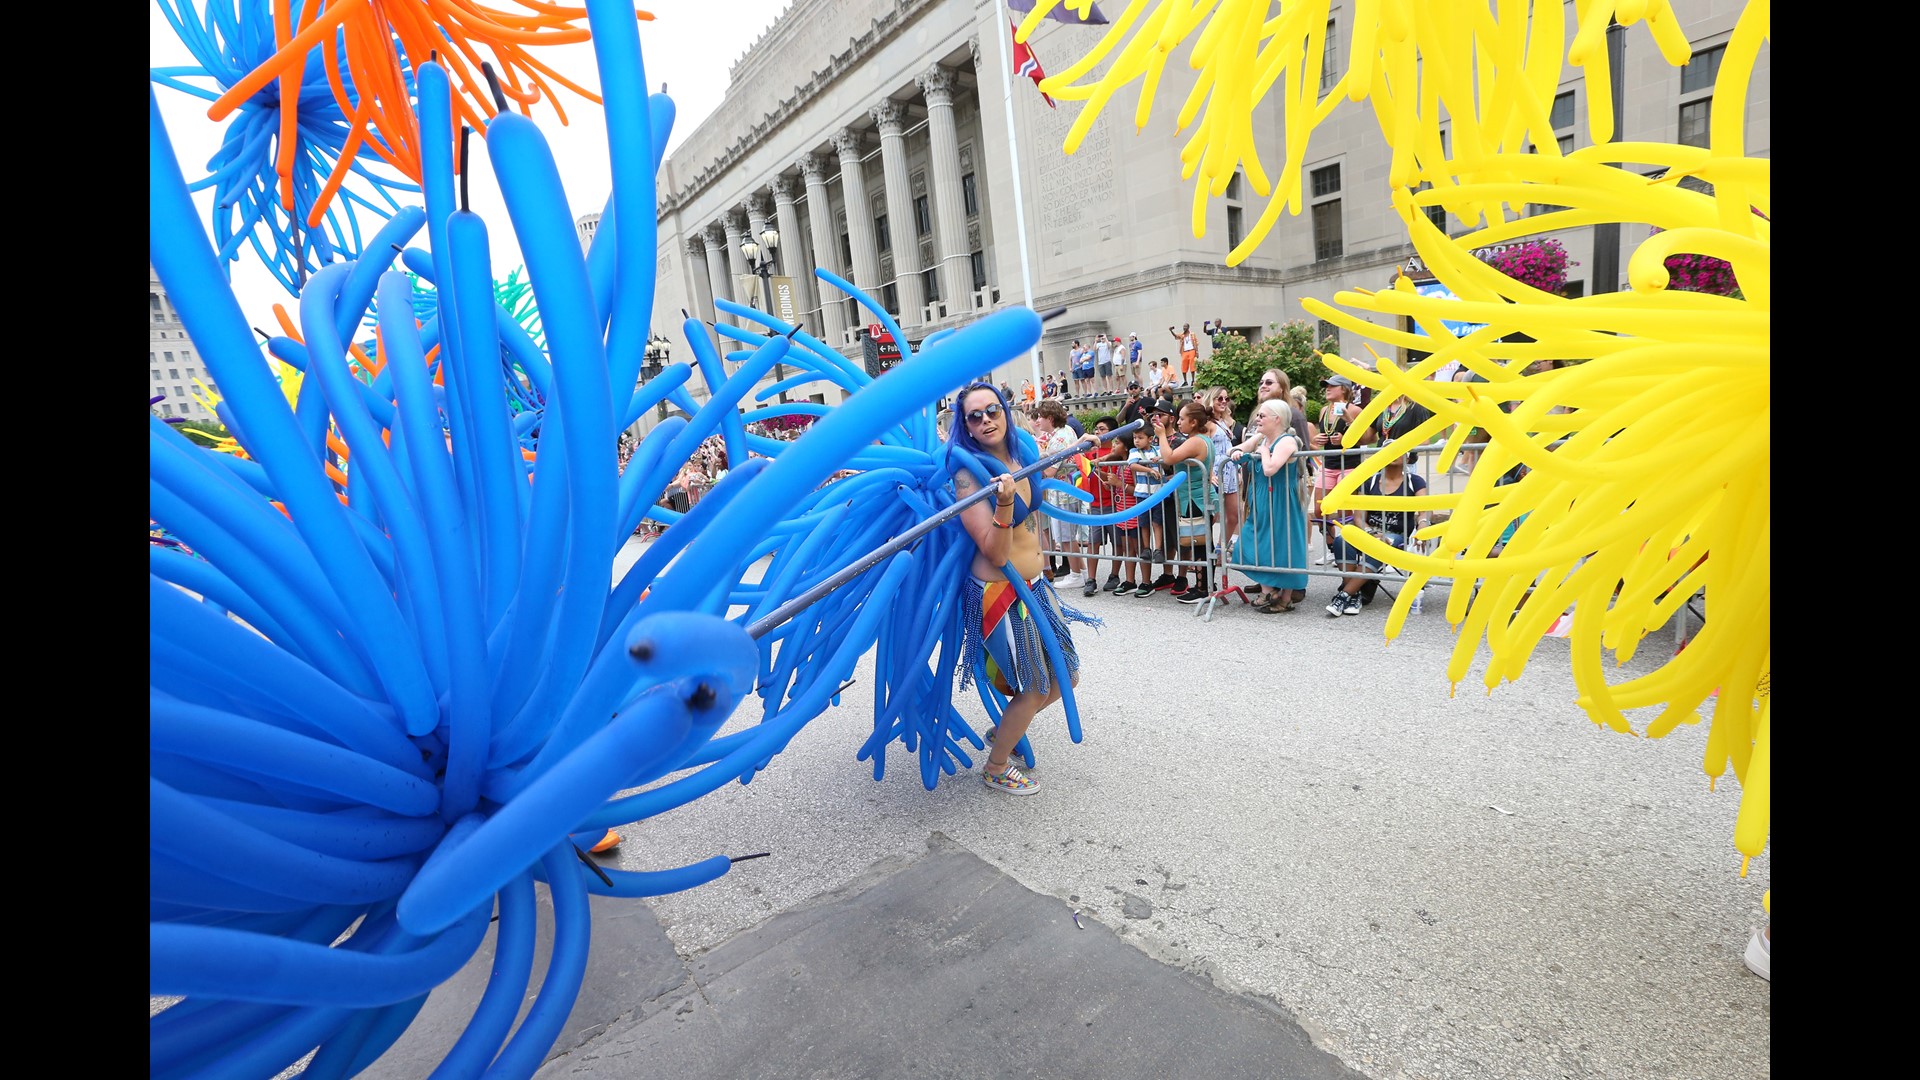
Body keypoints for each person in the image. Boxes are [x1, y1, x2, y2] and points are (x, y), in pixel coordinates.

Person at [948, 383, 1100, 796]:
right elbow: (995, 553)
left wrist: (1076, 451)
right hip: (1001, 593)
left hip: (1036, 587)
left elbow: (1044, 475)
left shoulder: (1020, 451)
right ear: (965, 426)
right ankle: (997, 766)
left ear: (1005, 411)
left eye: (992, 410)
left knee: (1066, 677)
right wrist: (1001, 504)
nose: (985, 419)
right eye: (975, 416)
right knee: (1034, 688)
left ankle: (1008, 729)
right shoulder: (968, 475)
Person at [1324, 449, 1430, 616]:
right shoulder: (1370, 481)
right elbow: (1358, 516)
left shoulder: (1414, 481)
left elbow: (1424, 510)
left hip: (1397, 535)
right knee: (1341, 540)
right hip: (1369, 531)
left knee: (1379, 545)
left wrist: (1423, 526)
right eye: (1387, 450)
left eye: (1398, 449)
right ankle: (1355, 594)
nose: (1392, 453)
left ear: (1407, 457)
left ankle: (1343, 595)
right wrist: (1370, 532)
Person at [1231, 398, 1310, 612]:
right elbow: (1237, 449)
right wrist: (1240, 451)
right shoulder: (1264, 439)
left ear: (1277, 419)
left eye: (1262, 416)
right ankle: (1269, 592)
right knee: (1250, 543)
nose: (1257, 419)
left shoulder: (1286, 442)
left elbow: (1270, 469)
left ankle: (1282, 598)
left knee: (1282, 546)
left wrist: (1263, 452)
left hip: (1281, 501)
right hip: (1262, 499)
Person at [1154, 400, 1216, 603]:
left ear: (1194, 422)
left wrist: (1162, 435)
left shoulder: (1196, 441)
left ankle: (1202, 588)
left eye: (1182, 419)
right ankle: (1205, 585)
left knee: (1199, 545)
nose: (1179, 423)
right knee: (1202, 544)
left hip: (1194, 499)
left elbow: (1169, 458)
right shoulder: (1202, 439)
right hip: (1197, 498)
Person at [1312, 374, 1374, 561]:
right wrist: (1317, 439)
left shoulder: (1355, 409)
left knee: (1345, 512)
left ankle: (1348, 550)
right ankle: (1333, 549)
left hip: (1349, 465)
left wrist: (1348, 426)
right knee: (1319, 510)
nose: (1327, 389)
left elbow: (1369, 438)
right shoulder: (1324, 410)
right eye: (1326, 386)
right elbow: (1319, 437)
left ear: (1344, 390)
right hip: (1329, 464)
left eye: (1332, 386)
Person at [1034, 402, 1092, 591]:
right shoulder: (1066, 431)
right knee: (1067, 535)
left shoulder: (1059, 438)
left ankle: (1075, 574)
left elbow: (1050, 471)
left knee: (1065, 537)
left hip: (1062, 492)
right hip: (1067, 489)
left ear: (1050, 418)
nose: (1037, 421)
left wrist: (1038, 463)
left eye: (1040, 417)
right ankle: (1081, 571)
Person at [1201, 386, 1243, 573]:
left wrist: (1238, 469)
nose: (1223, 402)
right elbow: (1202, 449)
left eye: (1226, 399)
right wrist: (1209, 474)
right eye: (1219, 398)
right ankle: (1205, 554)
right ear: (1211, 400)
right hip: (1215, 471)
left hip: (1230, 471)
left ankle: (1219, 550)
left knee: (1233, 515)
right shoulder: (1207, 423)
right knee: (1211, 515)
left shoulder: (1224, 422)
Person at [1123, 423, 1166, 596]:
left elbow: (1166, 460)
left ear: (1150, 439)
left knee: (1157, 522)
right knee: (1144, 523)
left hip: (1158, 492)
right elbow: (1132, 465)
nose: (1136, 441)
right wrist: (1148, 468)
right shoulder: (1134, 452)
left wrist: (1159, 460)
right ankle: (1146, 548)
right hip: (1142, 493)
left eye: (1140, 438)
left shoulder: (1157, 450)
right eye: (1135, 438)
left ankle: (1158, 549)